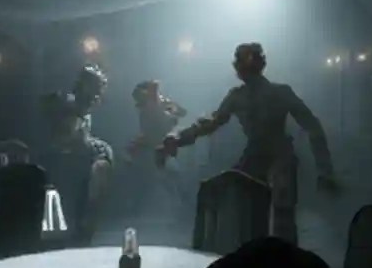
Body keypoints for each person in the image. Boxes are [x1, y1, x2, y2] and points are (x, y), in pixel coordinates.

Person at [158, 43, 338, 244]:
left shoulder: (278, 93)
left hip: (280, 158)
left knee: (281, 214)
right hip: (255, 157)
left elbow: (312, 126)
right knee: (239, 206)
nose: (243, 68)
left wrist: (325, 169)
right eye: (241, 62)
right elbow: (210, 123)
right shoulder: (238, 97)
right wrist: (177, 138)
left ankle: (284, 264)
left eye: (247, 62)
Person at [39, 63, 113, 242]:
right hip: (64, 155)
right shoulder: (67, 102)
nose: (96, 96)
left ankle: (88, 223)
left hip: (82, 155)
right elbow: (62, 130)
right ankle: (82, 224)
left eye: (99, 91)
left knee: (103, 160)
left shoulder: (85, 109)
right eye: (94, 88)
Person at [127, 80, 189, 213]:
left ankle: (183, 205)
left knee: (172, 176)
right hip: (155, 149)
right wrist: (137, 145)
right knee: (166, 177)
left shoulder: (164, 106)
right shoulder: (145, 113)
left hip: (169, 146)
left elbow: (182, 114)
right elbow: (148, 133)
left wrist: (171, 107)